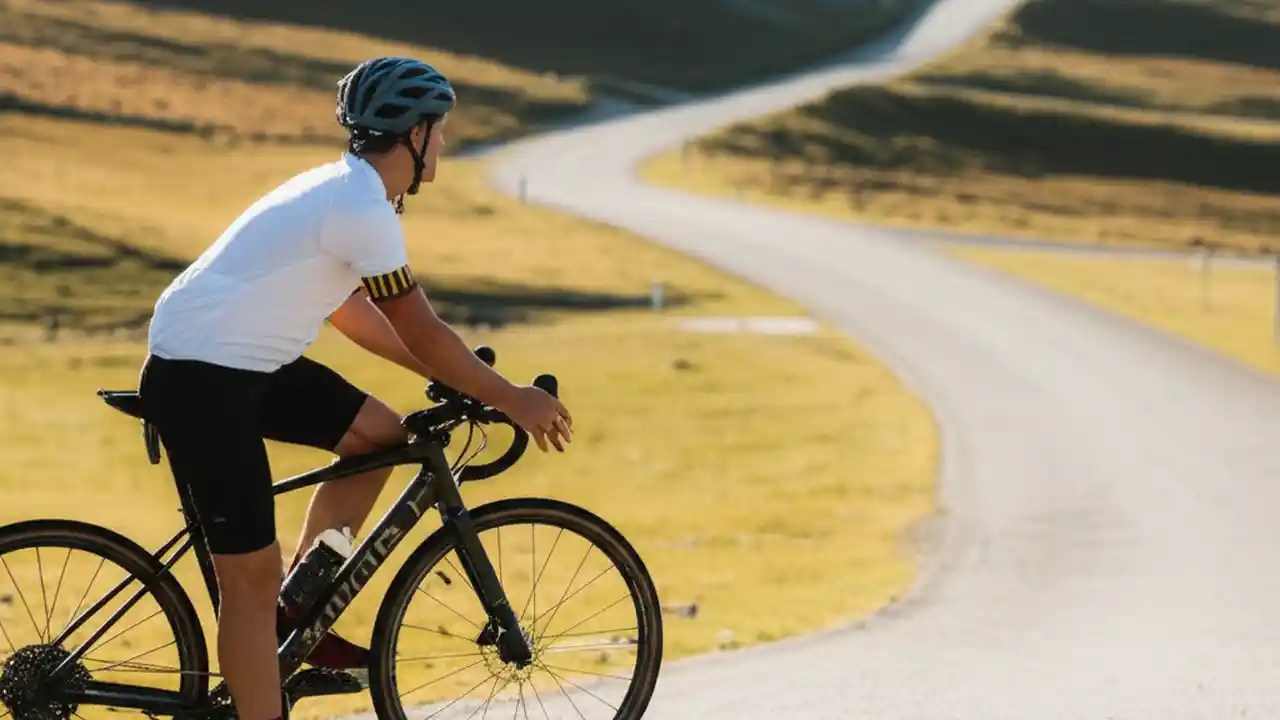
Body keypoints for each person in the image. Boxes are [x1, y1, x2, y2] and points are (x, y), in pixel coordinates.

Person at [138, 57, 573, 720]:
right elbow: (420, 329)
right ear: (415, 134)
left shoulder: (343, 191)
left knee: (380, 436)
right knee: (247, 584)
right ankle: (269, 648)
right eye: (441, 130)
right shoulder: (360, 207)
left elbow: (354, 314)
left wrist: (454, 382)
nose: (445, 144)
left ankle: (299, 605)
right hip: (203, 377)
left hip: (241, 363)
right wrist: (512, 396)